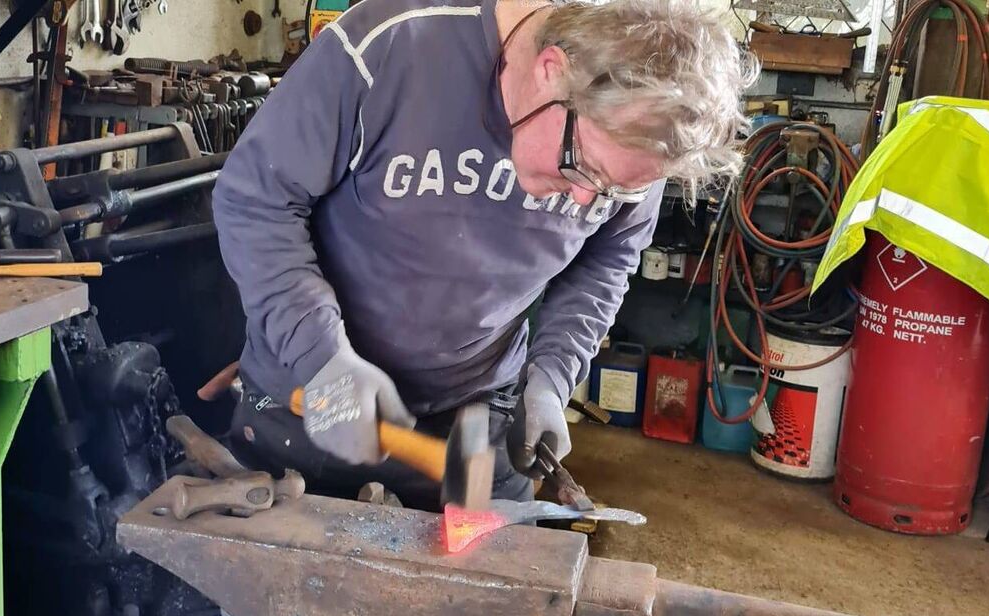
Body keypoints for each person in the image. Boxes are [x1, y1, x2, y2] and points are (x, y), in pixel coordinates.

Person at [207, 0, 757, 510]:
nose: (587, 199)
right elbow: (256, 200)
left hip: (475, 423)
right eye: (582, 167)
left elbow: (608, 260)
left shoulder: (635, 144)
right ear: (550, 70)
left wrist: (551, 378)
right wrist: (319, 355)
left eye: (616, 190)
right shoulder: (392, 49)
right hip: (308, 404)